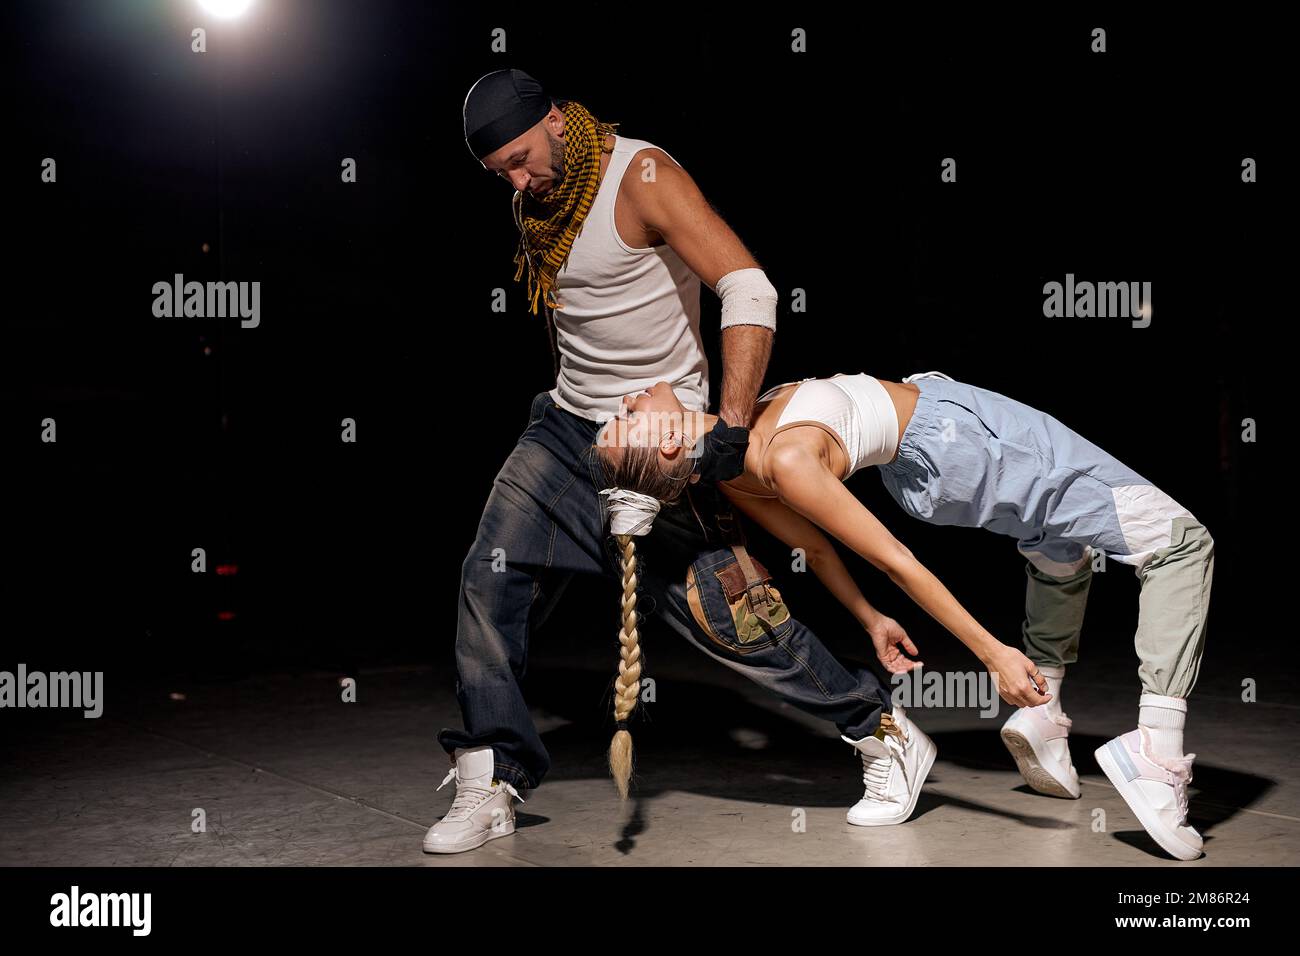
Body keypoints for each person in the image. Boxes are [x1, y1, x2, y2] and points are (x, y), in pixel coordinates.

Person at [426, 69, 936, 855]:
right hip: (568, 427)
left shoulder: (643, 176)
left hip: (660, 439)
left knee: (730, 617)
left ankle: (882, 731)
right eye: (501, 174)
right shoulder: (537, 197)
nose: (518, 181)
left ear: (559, 120)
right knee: (487, 578)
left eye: (523, 159)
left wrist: (726, 430)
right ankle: (491, 775)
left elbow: (750, 287)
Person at [595, 371, 1214, 861]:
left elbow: (813, 548)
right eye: (625, 421)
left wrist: (870, 619)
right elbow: (897, 561)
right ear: (669, 441)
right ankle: (1157, 755)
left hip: (932, 461)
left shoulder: (735, 464)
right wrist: (992, 653)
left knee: (1060, 541)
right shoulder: (781, 461)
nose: (626, 400)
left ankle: (1043, 714)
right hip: (959, 442)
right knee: (1180, 540)